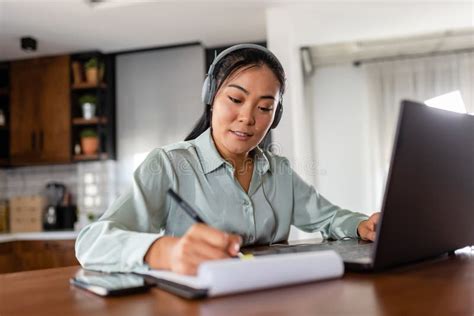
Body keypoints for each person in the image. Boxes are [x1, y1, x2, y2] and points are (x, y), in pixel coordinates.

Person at [75, 44, 380, 276]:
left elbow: (328, 217)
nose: (247, 118)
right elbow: (91, 242)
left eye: (264, 108)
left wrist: (361, 225)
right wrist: (162, 251)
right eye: (235, 99)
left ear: (276, 117)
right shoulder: (167, 165)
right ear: (211, 98)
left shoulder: (279, 171)